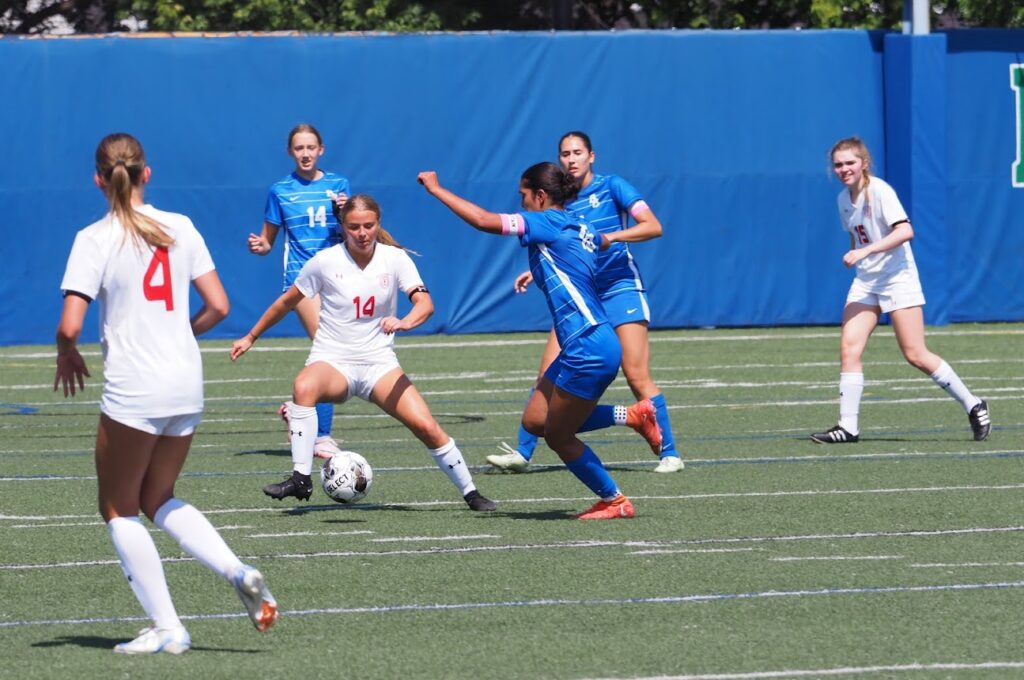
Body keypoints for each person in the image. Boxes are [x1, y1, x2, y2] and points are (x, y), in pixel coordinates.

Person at [54, 133, 278, 655]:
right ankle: (237, 570)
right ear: (146, 174)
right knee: (158, 497)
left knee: (117, 507)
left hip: (137, 386)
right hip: (186, 381)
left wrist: (67, 350)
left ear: (97, 179)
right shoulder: (180, 226)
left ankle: (168, 627)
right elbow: (219, 305)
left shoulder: (95, 237)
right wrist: (177, 333)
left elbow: (70, 324)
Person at [418, 163, 661, 520]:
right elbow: (572, 260)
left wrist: (437, 190)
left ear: (541, 196)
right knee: (535, 421)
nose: (521, 202)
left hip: (587, 346)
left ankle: (615, 500)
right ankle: (634, 415)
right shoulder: (582, 227)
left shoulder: (546, 222)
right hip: (590, 339)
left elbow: (485, 221)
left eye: (523, 196)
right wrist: (538, 270)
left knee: (560, 436)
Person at [231, 195, 497, 512]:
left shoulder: (394, 259)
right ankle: (300, 479)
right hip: (334, 361)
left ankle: (471, 493)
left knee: (427, 426)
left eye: (368, 226)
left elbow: (424, 303)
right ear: (342, 227)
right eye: (354, 226)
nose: (362, 233)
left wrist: (404, 322)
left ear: (377, 225)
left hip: (379, 365)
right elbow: (285, 302)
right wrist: (250, 336)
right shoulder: (324, 261)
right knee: (304, 386)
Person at [487, 131, 683, 474]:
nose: (571, 159)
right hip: (584, 296)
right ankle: (523, 451)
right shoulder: (560, 199)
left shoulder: (613, 187)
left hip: (621, 287)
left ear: (592, 156)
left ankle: (670, 452)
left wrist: (612, 237)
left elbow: (653, 226)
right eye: (565, 153)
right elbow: (564, 247)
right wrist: (535, 273)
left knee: (636, 375)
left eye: (578, 152)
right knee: (547, 374)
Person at [811, 136, 991, 444]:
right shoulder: (843, 199)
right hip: (866, 282)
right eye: (838, 164)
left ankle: (973, 403)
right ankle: (848, 427)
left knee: (915, 354)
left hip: (898, 279)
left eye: (850, 163)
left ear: (863, 164)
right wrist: (858, 254)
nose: (844, 169)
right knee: (849, 349)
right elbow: (859, 237)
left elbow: (905, 231)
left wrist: (865, 252)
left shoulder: (879, 191)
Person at [248, 123, 348, 459]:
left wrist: (344, 212)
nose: (305, 153)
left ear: (321, 150)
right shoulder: (280, 191)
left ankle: (298, 407)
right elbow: (268, 240)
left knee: (340, 354)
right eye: (298, 148)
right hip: (302, 280)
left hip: (337, 277)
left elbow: (350, 229)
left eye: (310, 147)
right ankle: (320, 436)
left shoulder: (338, 185)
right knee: (329, 349)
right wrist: (260, 247)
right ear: (291, 152)